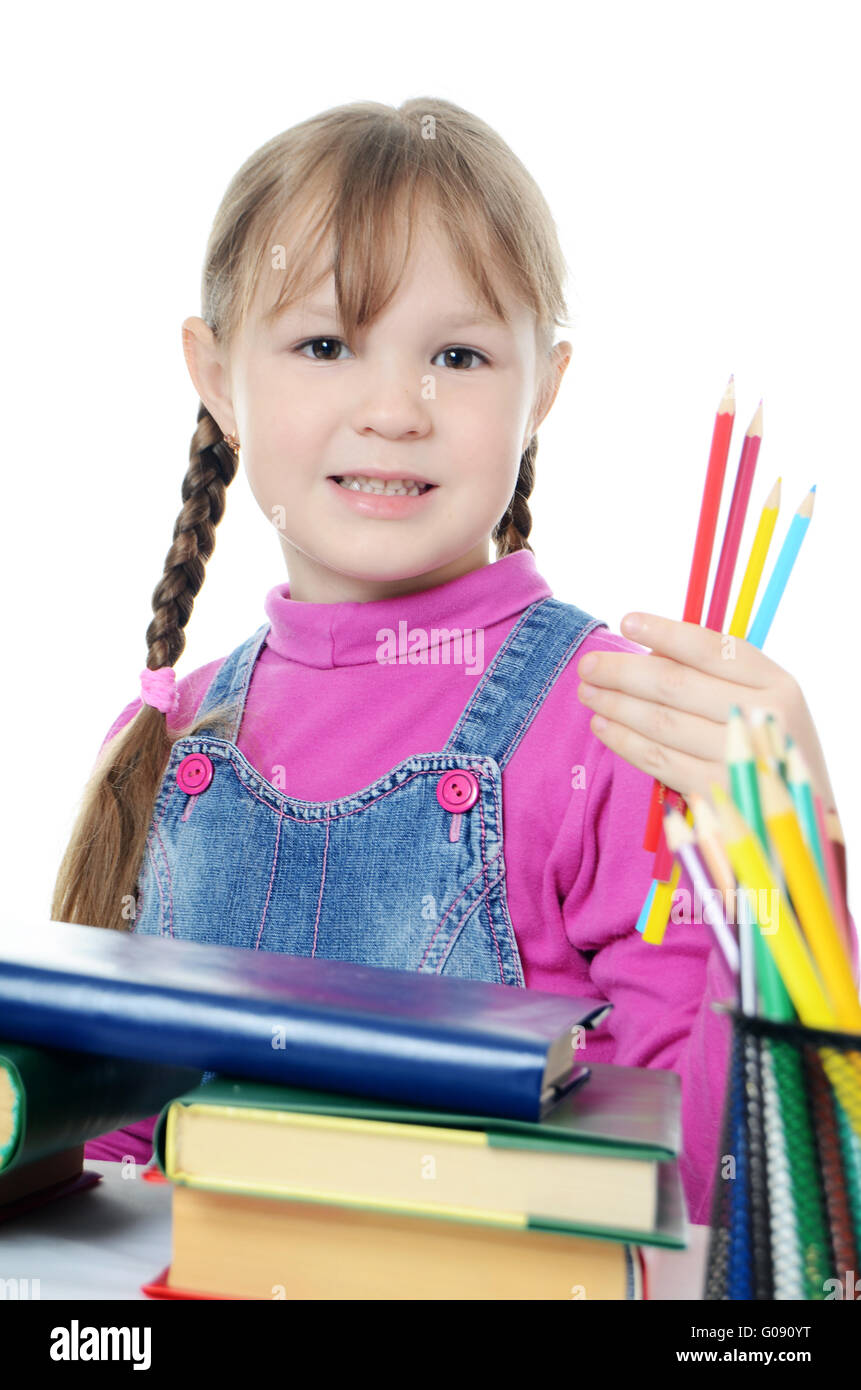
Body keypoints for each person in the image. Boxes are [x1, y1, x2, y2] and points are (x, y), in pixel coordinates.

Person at [52, 97, 851, 1226]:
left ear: (546, 388)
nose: (395, 409)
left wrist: (785, 861)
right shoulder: (173, 731)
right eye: (325, 344)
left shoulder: (620, 729)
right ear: (219, 375)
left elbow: (720, 1191)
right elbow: (114, 1174)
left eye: (459, 355)